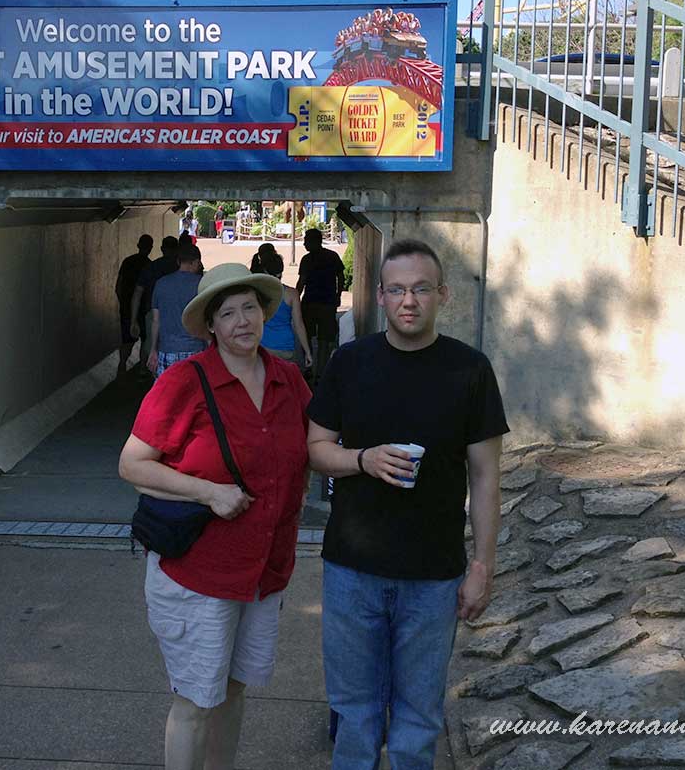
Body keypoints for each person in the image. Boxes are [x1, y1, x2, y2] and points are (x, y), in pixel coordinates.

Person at [305, 238, 509, 770]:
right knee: (355, 714)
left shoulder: (470, 370)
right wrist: (363, 459)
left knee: (419, 719)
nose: (408, 301)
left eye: (421, 289)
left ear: (442, 294)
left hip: (434, 578)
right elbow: (316, 449)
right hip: (352, 571)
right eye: (396, 290)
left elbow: (486, 476)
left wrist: (482, 566)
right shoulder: (350, 363)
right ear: (380, 295)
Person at [119, 263, 313, 770]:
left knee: (233, 690)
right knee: (195, 702)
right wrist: (209, 492)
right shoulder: (184, 381)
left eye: (250, 307)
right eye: (227, 313)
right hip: (199, 574)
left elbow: (315, 448)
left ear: (265, 313)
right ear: (210, 326)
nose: (242, 321)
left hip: (264, 572)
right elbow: (132, 465)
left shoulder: (288, 379)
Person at [147, 243, 206, 377]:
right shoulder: (201, 285)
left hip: (167, 351)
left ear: (178, 261)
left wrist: (153, 350)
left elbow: (156, 321)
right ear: (196, 262)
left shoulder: (161, 283)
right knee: (195, 389)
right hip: (195, 350)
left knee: (168, 390)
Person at [296, 227, 345, 383]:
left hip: (309, 303)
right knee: (325, 339)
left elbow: (301, 282)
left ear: (314, 241)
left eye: (306, 241)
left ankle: (309, 367)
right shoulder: (332, 256)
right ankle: (321, 372)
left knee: (307, 337)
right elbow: (341, 277)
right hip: (328, 303)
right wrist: (338, 295)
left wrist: (294, 300)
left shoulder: (306, 260)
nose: (304, 244)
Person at [256, 251, 312, 372]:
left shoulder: (259, 292)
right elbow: (299, 324)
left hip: (263, 346)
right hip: (285, 346)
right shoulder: (292, 294)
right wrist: (307, 351)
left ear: (265, 270)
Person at [131, 237, 181, 366]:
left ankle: (144, 369)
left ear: (162, 249)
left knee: (149, 344)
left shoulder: (151, 267)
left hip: (152, 312)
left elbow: (137, 292)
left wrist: (133, 319)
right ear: (177, 250)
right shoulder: (180, 268)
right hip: (176, 314)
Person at [115, 234, 154, 378]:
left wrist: (123, 303)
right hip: (143, 309)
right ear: (151, 248)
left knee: (127, 340)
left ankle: (122, 365)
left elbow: (118, 286)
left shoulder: (127, 262)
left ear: (138, 245)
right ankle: (142, 368)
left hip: (126, 307)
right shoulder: (150, 266)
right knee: (145, 339)